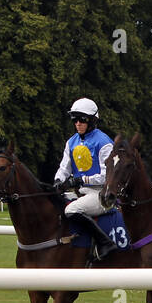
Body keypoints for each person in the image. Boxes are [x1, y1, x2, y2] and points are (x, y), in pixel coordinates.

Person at [53, 97, 118, 261]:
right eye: (75, 119)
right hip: (80, 193)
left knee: (71, 210)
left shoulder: (104, 142)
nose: (78, 123)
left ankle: (105, 243)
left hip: (102, 194)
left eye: (83, 119)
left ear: (93, 121)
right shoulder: (71, 142)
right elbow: (64, 167)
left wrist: (82, 180)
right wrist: (58, 181)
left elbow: (107, 176)